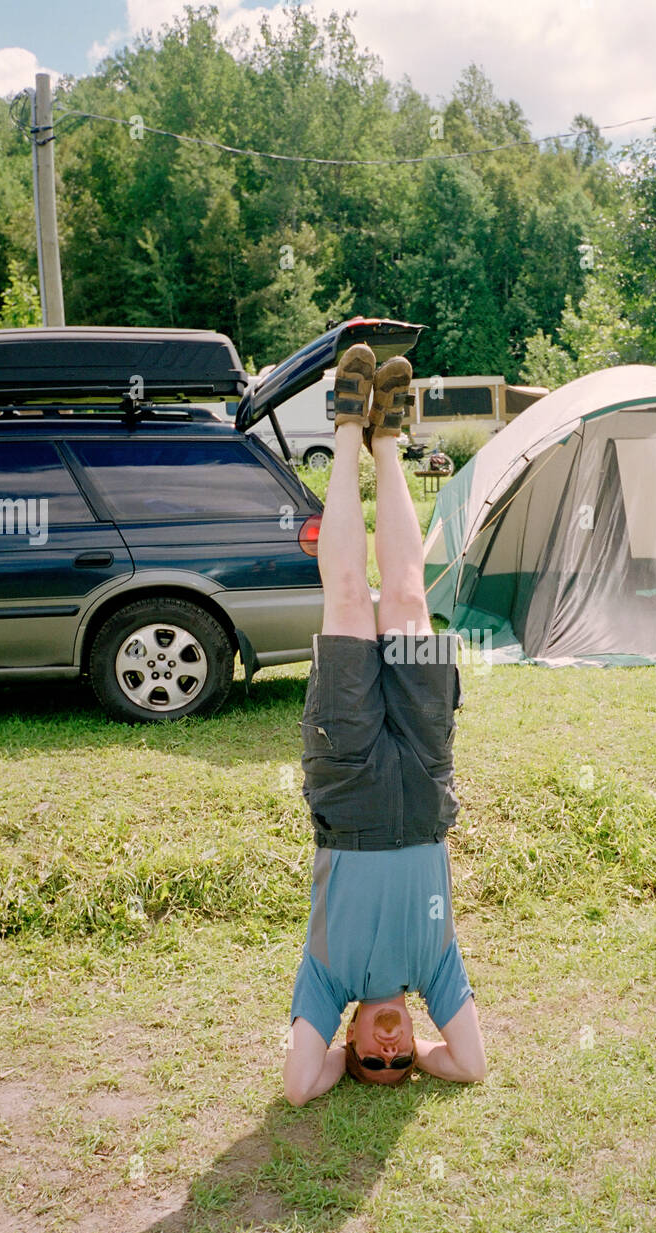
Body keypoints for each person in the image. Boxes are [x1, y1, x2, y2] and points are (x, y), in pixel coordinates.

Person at [283, 344, 487, 1105]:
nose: (394, 1052)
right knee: (404, 597)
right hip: (426, 785)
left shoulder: (327, 978)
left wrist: (336, 1058)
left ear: (352, 1041)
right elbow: (470, 1064)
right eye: (403, 1061)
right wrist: (434, 1053)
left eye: (376, 1059)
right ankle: (388, 438)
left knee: (345, 598)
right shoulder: (434, 970)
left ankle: (343, 429)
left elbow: (300, 1088)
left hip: (351, 789)